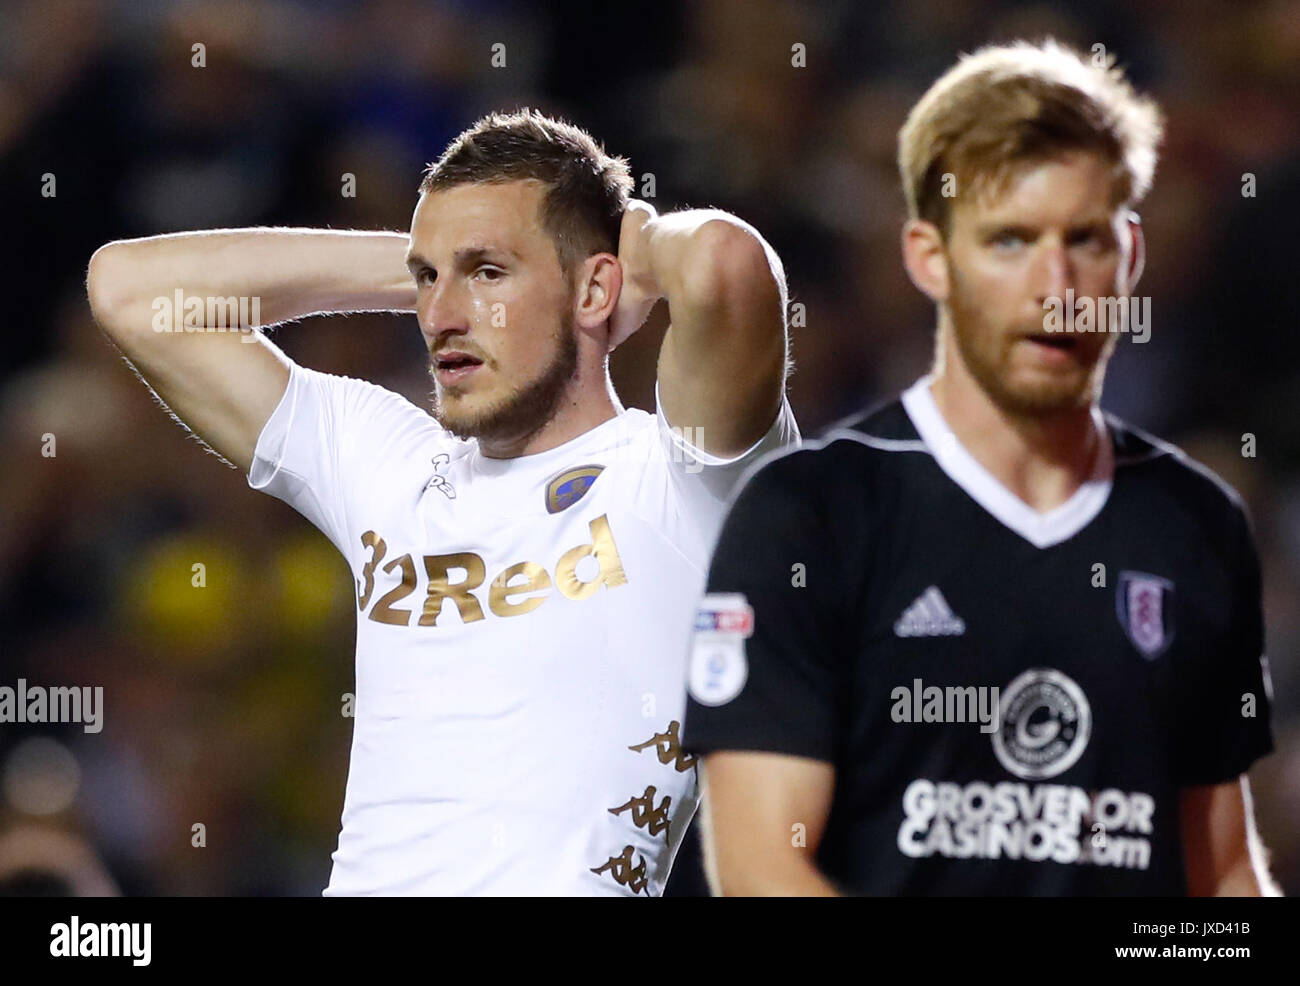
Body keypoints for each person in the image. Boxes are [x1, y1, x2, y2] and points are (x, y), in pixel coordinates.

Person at [86, 109, 798, 895]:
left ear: (598, 284)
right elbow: (132, 292)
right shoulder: (391, 462)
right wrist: (431, 264)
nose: (440, 316)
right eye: (429, 280)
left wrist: (635, 256)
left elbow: (724, 265)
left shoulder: (683, 478)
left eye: (489, 273)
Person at [681, 40, 1278, 895]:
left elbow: (1218, 876)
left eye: (1086, 240)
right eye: (1009, 241)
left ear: (1132, 256)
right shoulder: (814, 514)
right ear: (930, 257)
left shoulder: (1197, 524)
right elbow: (762, 866)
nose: (1056, 282)